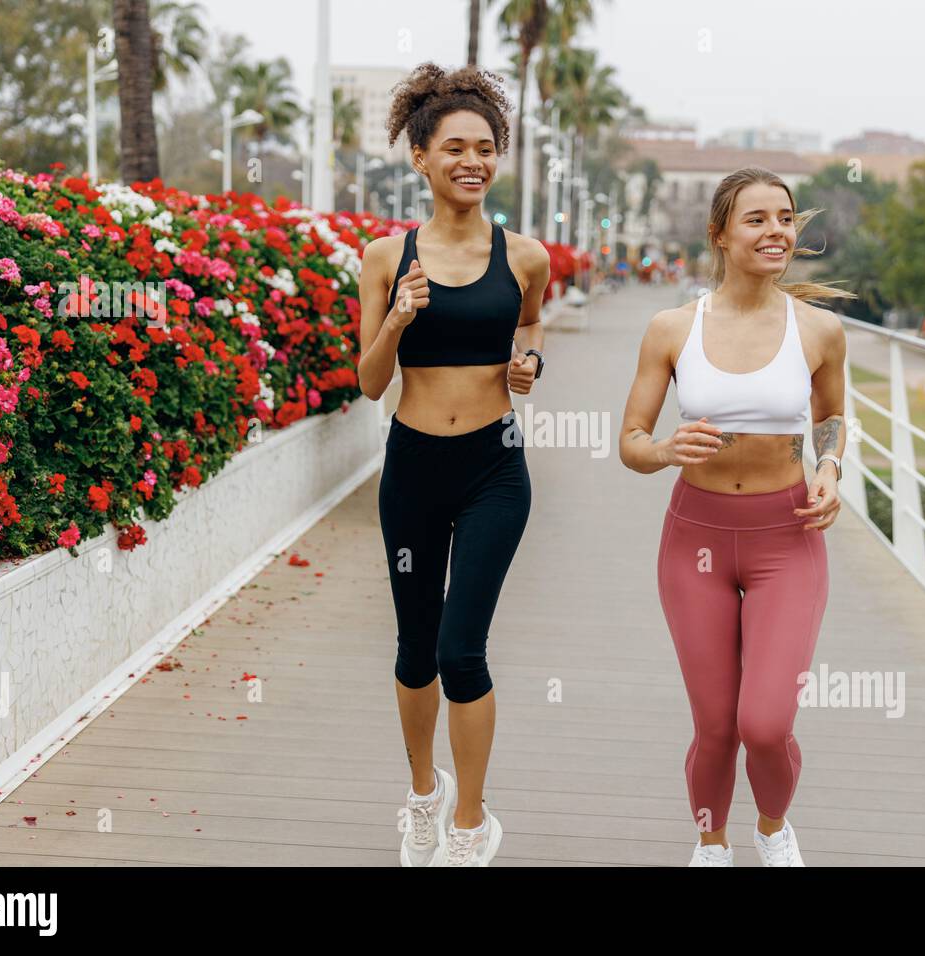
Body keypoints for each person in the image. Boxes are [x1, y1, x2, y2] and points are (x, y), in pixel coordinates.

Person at [618, 166, 855, 866]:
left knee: (765, 721)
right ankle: (712, 843)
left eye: (784, 218)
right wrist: (663, 450)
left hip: (789, 538)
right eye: (756, 219)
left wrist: (830, 469)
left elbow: (832, 417)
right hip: (694, 539)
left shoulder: (819, 330)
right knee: (716, 725)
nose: (776, 230)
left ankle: (774, 827)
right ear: (720, 234)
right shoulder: (671, 328)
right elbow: (630, 441)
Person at [357, 61, 551, 867]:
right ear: (422, 158)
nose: (472, 160)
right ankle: (422, 797)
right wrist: (399, 318)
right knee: (414, 647)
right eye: (455, 147)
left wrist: (530, 366)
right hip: (412, 468)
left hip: (494, 469)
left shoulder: (527, 255)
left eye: (486, 147)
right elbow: (369, 382)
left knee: (459, 650)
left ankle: (471, 823)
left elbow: (533, 326)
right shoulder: (383, 257)